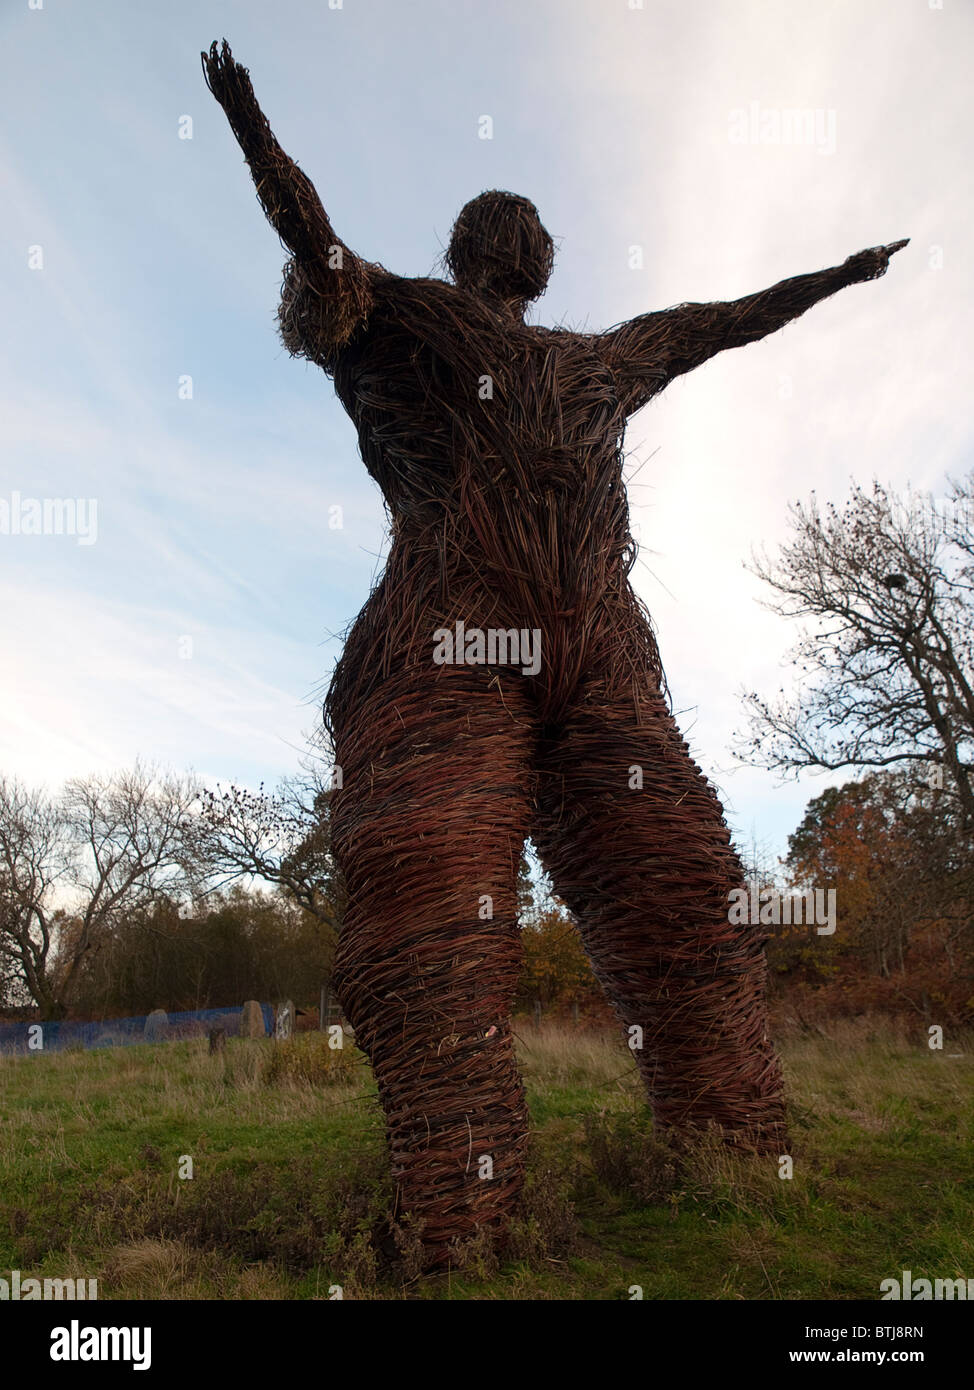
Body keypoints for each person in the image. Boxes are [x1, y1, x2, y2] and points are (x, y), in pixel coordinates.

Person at [203, 40, 907, 1264]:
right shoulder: (409, 324)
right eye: (516, 231)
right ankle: (457, 1226)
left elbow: (724, 322)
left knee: (688, 909)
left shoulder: (595, 365)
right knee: (430, 936)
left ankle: (726, 1151)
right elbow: (314, 248)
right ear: (495, 252)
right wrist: (244, 114)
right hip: (445, 647)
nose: (526, 246)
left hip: (600, 661)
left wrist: (842, 276)